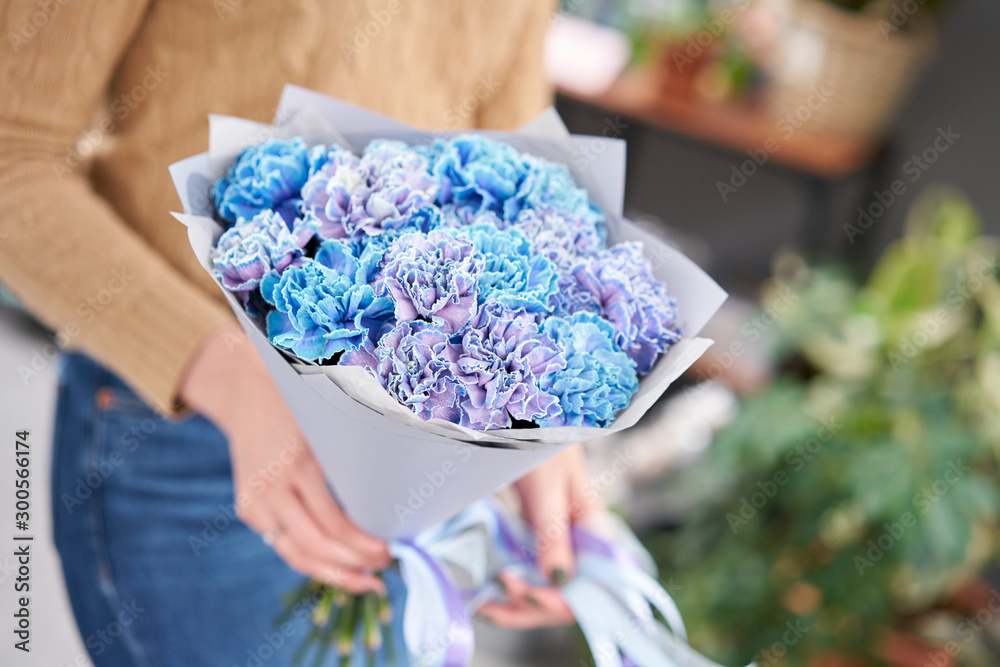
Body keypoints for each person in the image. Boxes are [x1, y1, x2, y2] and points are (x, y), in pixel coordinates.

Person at [0, 1, 601, 664]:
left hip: (416, 439)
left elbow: (506, 160)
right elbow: (12, 158)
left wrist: (538, 415)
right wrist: (231, 376)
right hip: (190, 434)